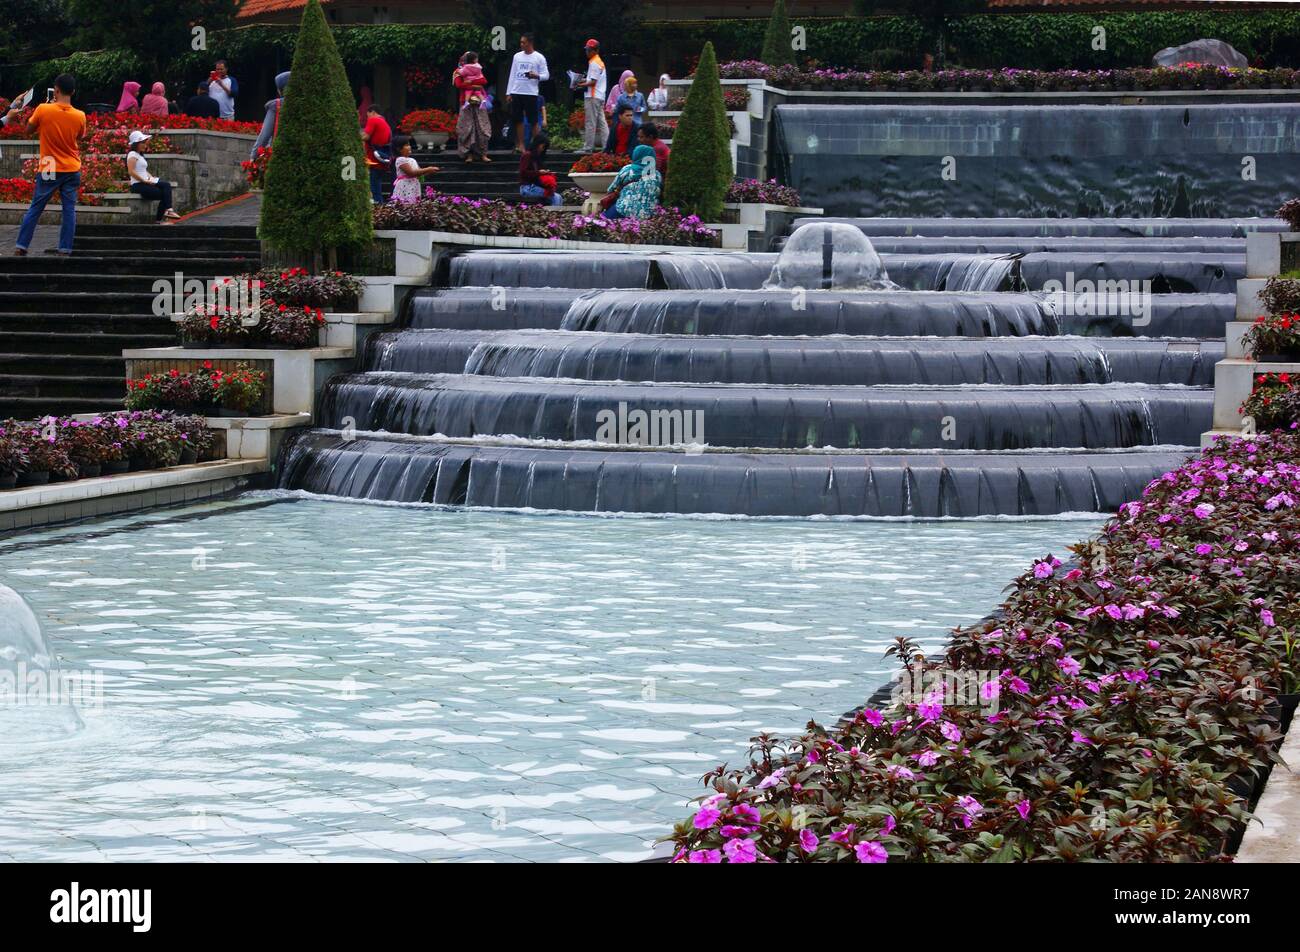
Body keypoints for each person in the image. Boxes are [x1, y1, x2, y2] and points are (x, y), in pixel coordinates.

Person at [10, 74, 87, 256]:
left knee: (36, 207)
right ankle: (65, 249)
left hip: (49, 164)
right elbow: (79, 136)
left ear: (56, 90)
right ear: (73, 92)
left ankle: (21, 246)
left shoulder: (43, 109)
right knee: (69, 209)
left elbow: (28, 130)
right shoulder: (80, 115)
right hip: (71, 166)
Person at [506, 33, 548, 154]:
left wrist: (536, 76)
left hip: (531, 92)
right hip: (517, 91)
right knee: (518, 119)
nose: (521, 45)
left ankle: (537, 144)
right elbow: (512, 74)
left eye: (523, 42)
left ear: (530, 43)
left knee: (533, 120)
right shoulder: (517, 56)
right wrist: (509, 92)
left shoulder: (539, 57)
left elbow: (546, 75)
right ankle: (521, 145)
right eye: (521, 42)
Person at [125, 130, 179, 223]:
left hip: (145, 182)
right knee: (165, 191)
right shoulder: (132, 154)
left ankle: (165, 214)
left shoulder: (140, 155)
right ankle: (165, 214)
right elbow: (131, 171)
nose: (145, 145)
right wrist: (144, 180)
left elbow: (144, 171)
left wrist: (151, 178)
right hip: (138, 185)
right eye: (142, 143)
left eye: (144, 142)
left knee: (165, 188)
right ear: (136, 144)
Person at [602, 144, 661, 221]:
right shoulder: (657, 175)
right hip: (647, 215)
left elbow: (611, 189)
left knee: (601, 221)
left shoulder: (628, 169)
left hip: (623, 210)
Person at [454, 52, 491, 162]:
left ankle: (483, 154)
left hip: (479, 103)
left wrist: (469, 82)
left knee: (481, 127)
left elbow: (483, 81)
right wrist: (475, 85)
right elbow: (458, 84)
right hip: (466, 103)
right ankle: (469, 154)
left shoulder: (477, 69)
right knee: (467, 128)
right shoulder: (458, 72)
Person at [574, 39, 607, 154]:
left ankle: (588, 147)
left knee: (590, 122)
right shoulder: (598, 61)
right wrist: (582, 81)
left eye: (589, 50)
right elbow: (592, 79)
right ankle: (606, 146)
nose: (587, 52)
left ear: (595, 50)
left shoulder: (594, 63)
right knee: (602, 122)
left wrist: (578, 84)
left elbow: (592, 82)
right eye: (587, 49)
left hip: (593, 96)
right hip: (599, 95)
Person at [251, 71, 290, 158]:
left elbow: (264, 136)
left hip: (280, 155)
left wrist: (253, 156)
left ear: (281, 89)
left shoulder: (276, 106)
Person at [361, 103, 393, 203]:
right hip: (382, 158)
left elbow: (365, 137)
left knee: (374, 188)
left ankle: (379, 208)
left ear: (373, 112)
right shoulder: (384, 122)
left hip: (373, 159)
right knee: (377, 186)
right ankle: (380, 207)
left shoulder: (373, 120)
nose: (367, 118)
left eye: (368, 115)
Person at [391, 137, 439, 203]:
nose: (410, 147)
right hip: (406, 186)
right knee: (406, 203)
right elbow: (411, 173)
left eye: (409, 145)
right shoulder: (400, 160)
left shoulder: (412, 160)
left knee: (414, 203)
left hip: (414, 185)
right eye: (407, 145)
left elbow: (419, 172)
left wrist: (429, 171)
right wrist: (428, 169)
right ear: (399, 149)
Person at [518, 132, 560, 206]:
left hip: (534, 186)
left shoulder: (536, 157)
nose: (542, 149)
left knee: (558, 197)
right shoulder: (527, 155)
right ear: (537, 144)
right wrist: (539, 172)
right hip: (527, 187)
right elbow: (523, 172)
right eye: (542, 147)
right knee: (555, 198)